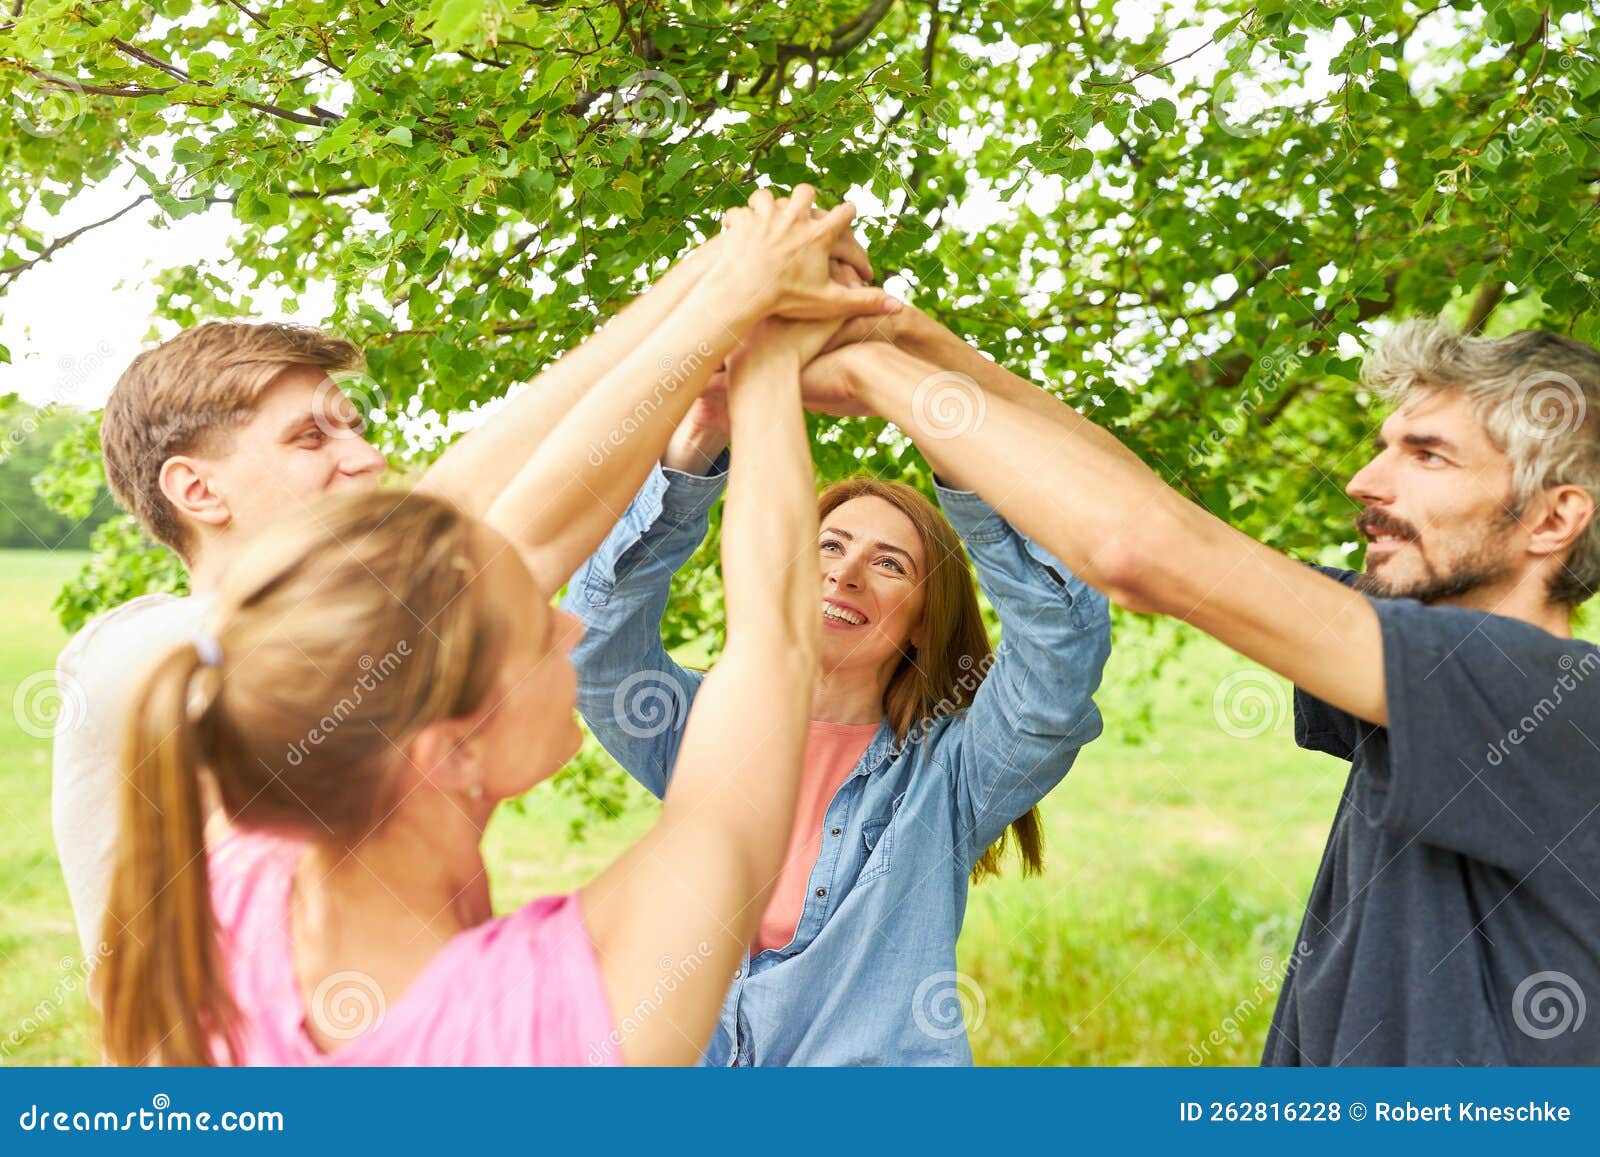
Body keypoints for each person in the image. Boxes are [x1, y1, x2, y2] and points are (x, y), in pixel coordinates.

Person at [95, 190, 863, 1066]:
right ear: (451, 747)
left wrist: (733, 286)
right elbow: (774, 645)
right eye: (534, 632)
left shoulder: (234, 884)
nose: (569, 627)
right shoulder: (556, 1020)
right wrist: (769, 352)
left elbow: (497, 524)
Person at [802, 310, 1600, 1065]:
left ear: (1553, 519)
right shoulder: (1429, 676)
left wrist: (869, 372)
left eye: (1427, 455)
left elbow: (1142, 548)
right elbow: (1151, 504)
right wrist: (913, 337)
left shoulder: (1546, 700)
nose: (1364, 480)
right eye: (1383, 447)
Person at [562, 319, 1113, 1065]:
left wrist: (948, 433)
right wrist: (701, 436)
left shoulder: (953, 775)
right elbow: (593, 642)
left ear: (925, 621)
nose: (843, 574)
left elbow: (1061, 649)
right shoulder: (699, 730)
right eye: (828, 545)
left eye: (889, 564)